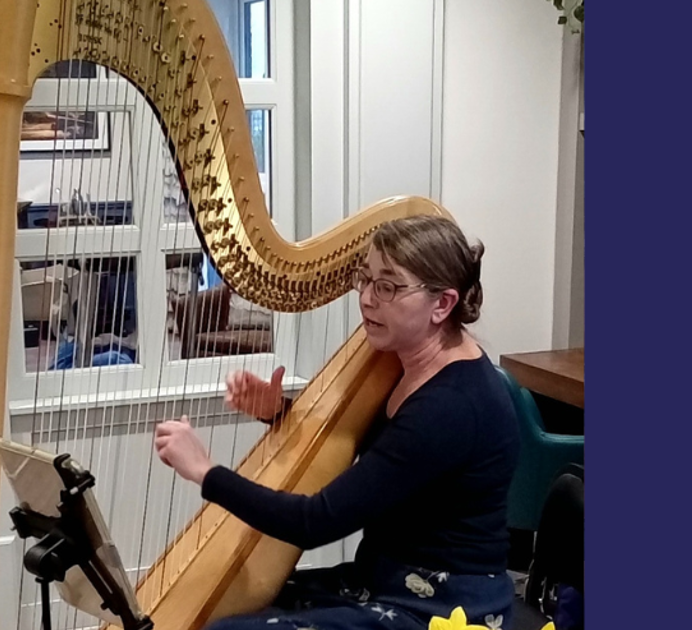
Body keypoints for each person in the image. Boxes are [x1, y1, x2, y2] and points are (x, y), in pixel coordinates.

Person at [153, 215, 521, 630]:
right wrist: (278, 412)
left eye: (388, 286)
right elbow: (386, 453)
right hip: (385, 577)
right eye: (366, 279)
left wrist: (205, 471)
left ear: (442, 304)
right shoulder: (405, 366)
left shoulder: (450, 406)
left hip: (442, 605)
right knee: (232, 604)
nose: (367, 299)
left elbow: (313, 522)